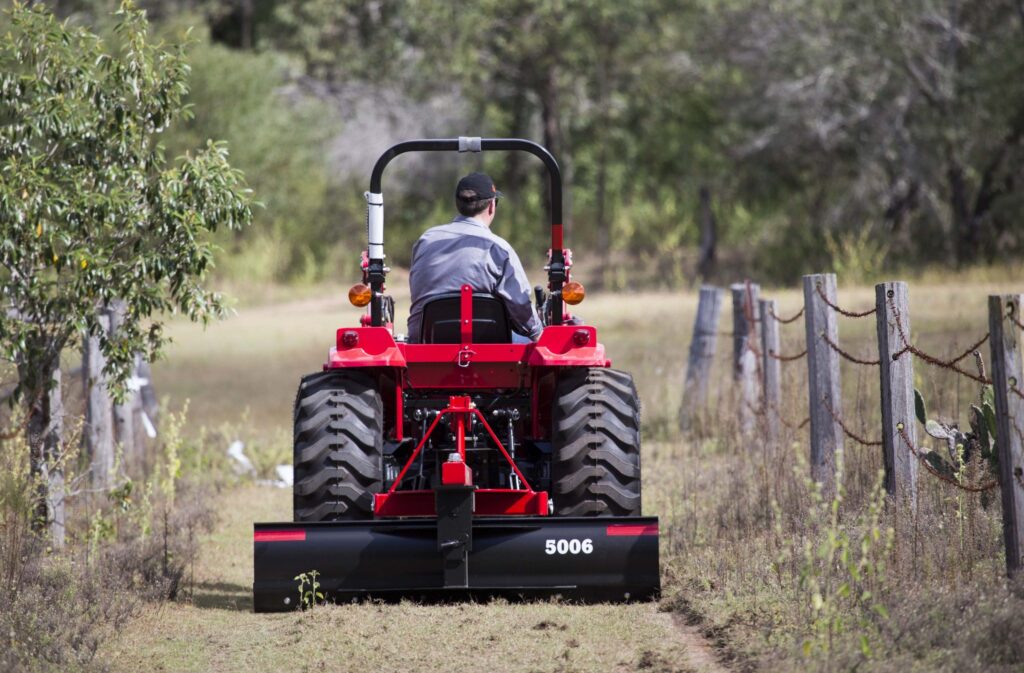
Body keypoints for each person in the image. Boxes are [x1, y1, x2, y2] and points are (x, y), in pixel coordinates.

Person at [407, 172, 542, 343]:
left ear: (458, 204)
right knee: (527, 339)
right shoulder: (499, 248)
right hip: (487, 345)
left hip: (426, 340)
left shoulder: (426, 240)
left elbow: (418, 290)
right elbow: (520, 308)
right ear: (492, 205)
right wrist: (538, 332)